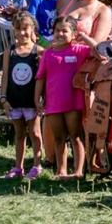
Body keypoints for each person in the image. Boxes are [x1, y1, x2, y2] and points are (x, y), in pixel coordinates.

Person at [36, 15, 91, 178]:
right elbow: (41, 77)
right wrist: (36, 98)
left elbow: (100, 52)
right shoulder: (48, 54)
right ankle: (61, 170)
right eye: (57, 30)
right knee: (58, 138)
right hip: (53, 103)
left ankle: (79, 171)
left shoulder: (79, 50)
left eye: (64, 31)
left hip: (73, 102)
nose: (60, 34)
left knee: (76, 136)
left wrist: (85, 38)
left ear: (74, 34)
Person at [0, 11, 43, 179]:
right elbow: (5, 76)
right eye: (18, 29)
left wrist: (40, 99)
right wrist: (3, 98)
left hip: (31, 101)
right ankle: (18, 167)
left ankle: (37, 165)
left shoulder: (39, 51)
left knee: (35, 132)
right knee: (19, 134)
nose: (22, 32)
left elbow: (42, 78)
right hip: (14, 100)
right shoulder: (9, 51)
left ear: (33, 29)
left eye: (26, 28)